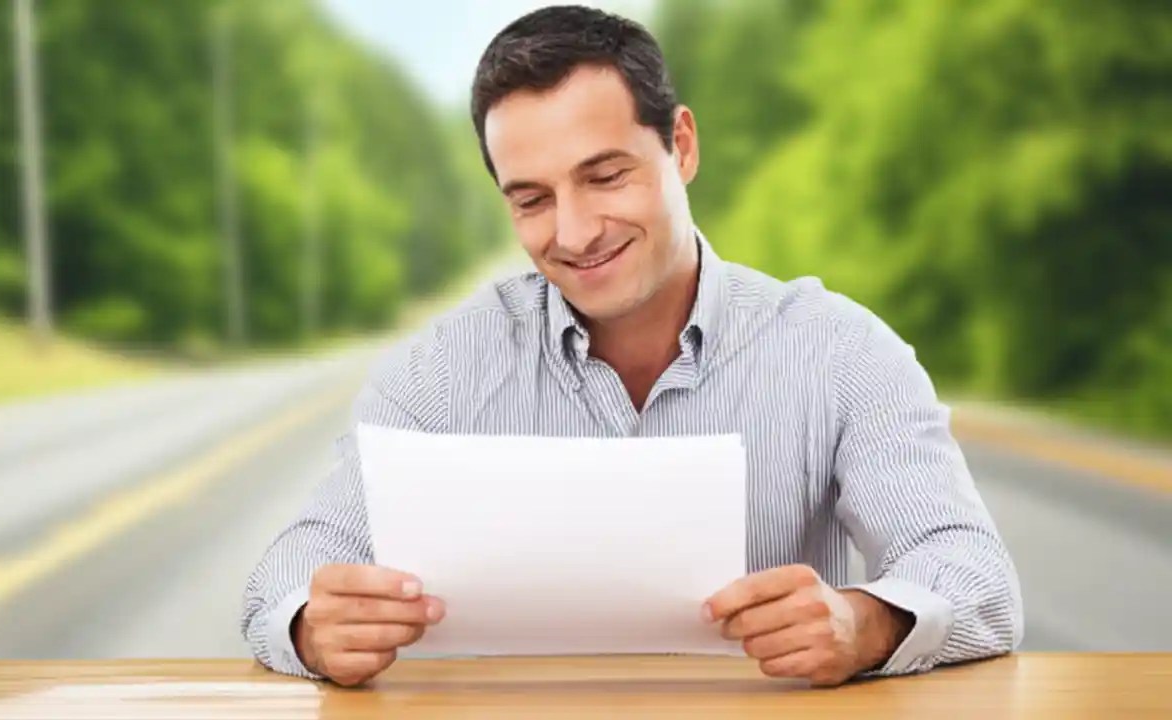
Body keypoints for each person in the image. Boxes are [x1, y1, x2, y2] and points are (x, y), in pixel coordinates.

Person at [241, 4, 1023, 688]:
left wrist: (866, 625)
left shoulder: (839, 353)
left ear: (680, 146)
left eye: (606, 176)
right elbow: (285, 573)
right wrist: (313, 624)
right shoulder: (440, 371)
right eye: (533, 199)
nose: (575, 233)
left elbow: (976, 574)